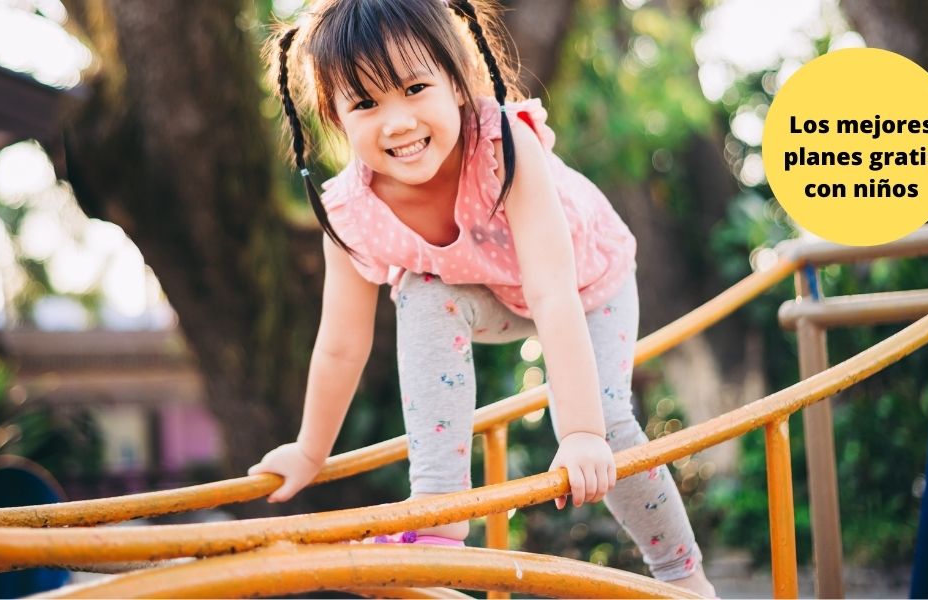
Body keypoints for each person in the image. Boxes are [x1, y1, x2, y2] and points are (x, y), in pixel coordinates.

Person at [247, 0, 715, 594]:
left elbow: (552, 291)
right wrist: (309, 452)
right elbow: (340, 345)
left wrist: (580, 433)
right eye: (364, 103)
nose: (396, 122)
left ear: (461, 84)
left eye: (415, 88)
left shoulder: (503, 146)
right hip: (488, 292)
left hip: (585, 281)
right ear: (334, 118)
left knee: (608, 422)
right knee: (418, 291)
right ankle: (441, 513)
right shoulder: (349, 213)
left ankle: (685, 576)